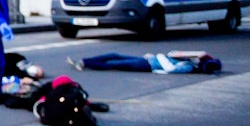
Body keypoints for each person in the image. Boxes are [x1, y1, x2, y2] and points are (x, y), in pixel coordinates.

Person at [68, 50, 220, 75]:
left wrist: (159, 56)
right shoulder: (189, 60)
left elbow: (169, 68)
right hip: (148, 59)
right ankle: (85, 61)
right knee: (114, 55)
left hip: (148, 65)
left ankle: (86, 64)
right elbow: (173, 54)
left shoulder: (188, 67)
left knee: (114, 63)